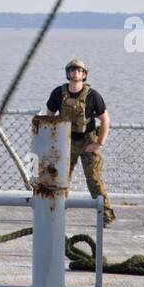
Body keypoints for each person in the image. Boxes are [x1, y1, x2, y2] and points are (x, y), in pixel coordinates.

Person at [47, 58, 115, 225]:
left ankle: (106, 216)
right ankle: (55, 213)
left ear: (84, 74)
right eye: (72, 70)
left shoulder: (93, 96)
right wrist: (54, 141)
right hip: (65, 141)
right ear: (67, 73)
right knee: (60, 178)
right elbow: (49, 117)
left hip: (87, 140)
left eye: (79, 70)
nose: (75, 73)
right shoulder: (58, 93)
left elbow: (105, 119)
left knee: (94, 178)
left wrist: (99, 143)